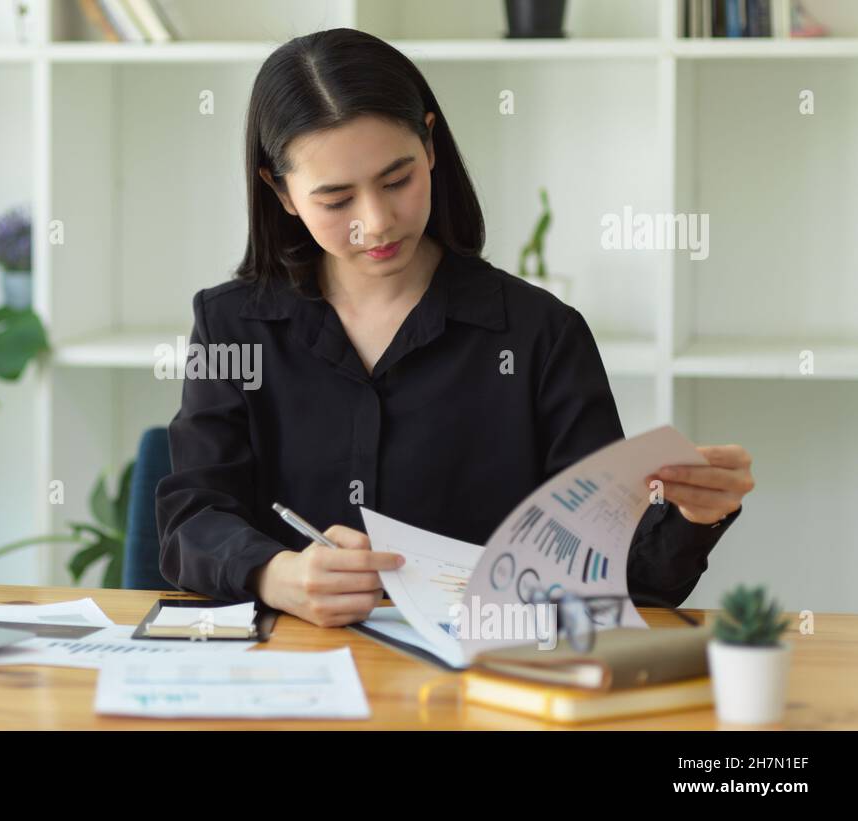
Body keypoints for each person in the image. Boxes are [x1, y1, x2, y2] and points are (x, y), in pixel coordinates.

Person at [154, 29, 754, 628]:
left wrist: (692, 516)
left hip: (480, 686)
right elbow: (192, 520)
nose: (377, 222)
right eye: (336, 201)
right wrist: (275, 573)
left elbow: (625, 582)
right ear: (280, 192)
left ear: (431, 146)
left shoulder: (538, 333)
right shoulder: (231, 326)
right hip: (294, 674)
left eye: (397, 180)